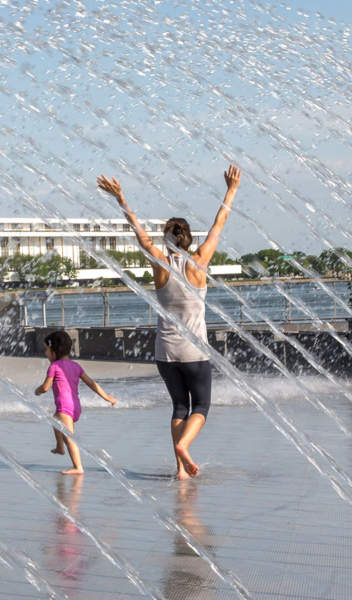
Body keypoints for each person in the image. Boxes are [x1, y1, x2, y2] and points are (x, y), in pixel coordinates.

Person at [97, 164, 241, 479]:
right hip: (194, 352)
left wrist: (121, 198)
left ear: (167, 241)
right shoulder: (200, 261)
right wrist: (231, 189)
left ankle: (180, 470)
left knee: (178, 407)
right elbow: (220, 224)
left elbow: (139, 232)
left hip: (165, 352)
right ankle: (183, 449)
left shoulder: (159, 264)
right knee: (201, 407)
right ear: (188, 240)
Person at [34, 330, 117, 475]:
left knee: (70, 437)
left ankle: (78, 467)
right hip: (75, 406)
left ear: (54, 351)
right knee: (54, 421)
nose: (46, 353)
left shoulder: (54, 367)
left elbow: (46, 387)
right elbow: (92, 383)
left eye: (47, 350)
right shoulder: (76, 366)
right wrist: (107, 397)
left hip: (64, 407)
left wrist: (38, 391)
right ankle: (60, 447)